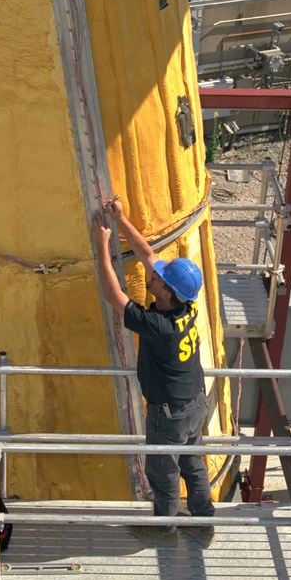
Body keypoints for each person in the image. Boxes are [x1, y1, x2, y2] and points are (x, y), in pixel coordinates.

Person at [91, 197, 215, 547]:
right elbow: (149, 255)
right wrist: (121, 221)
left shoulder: (158, 326)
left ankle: (163, 528)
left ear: (167, 292)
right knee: (193, 465)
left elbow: (112, 294)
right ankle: (204, 523)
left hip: (169, 413)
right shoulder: (185, 307)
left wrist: (101, 245)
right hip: (195, 402)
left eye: (159, 280)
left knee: (163, 472)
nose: (153, 276)